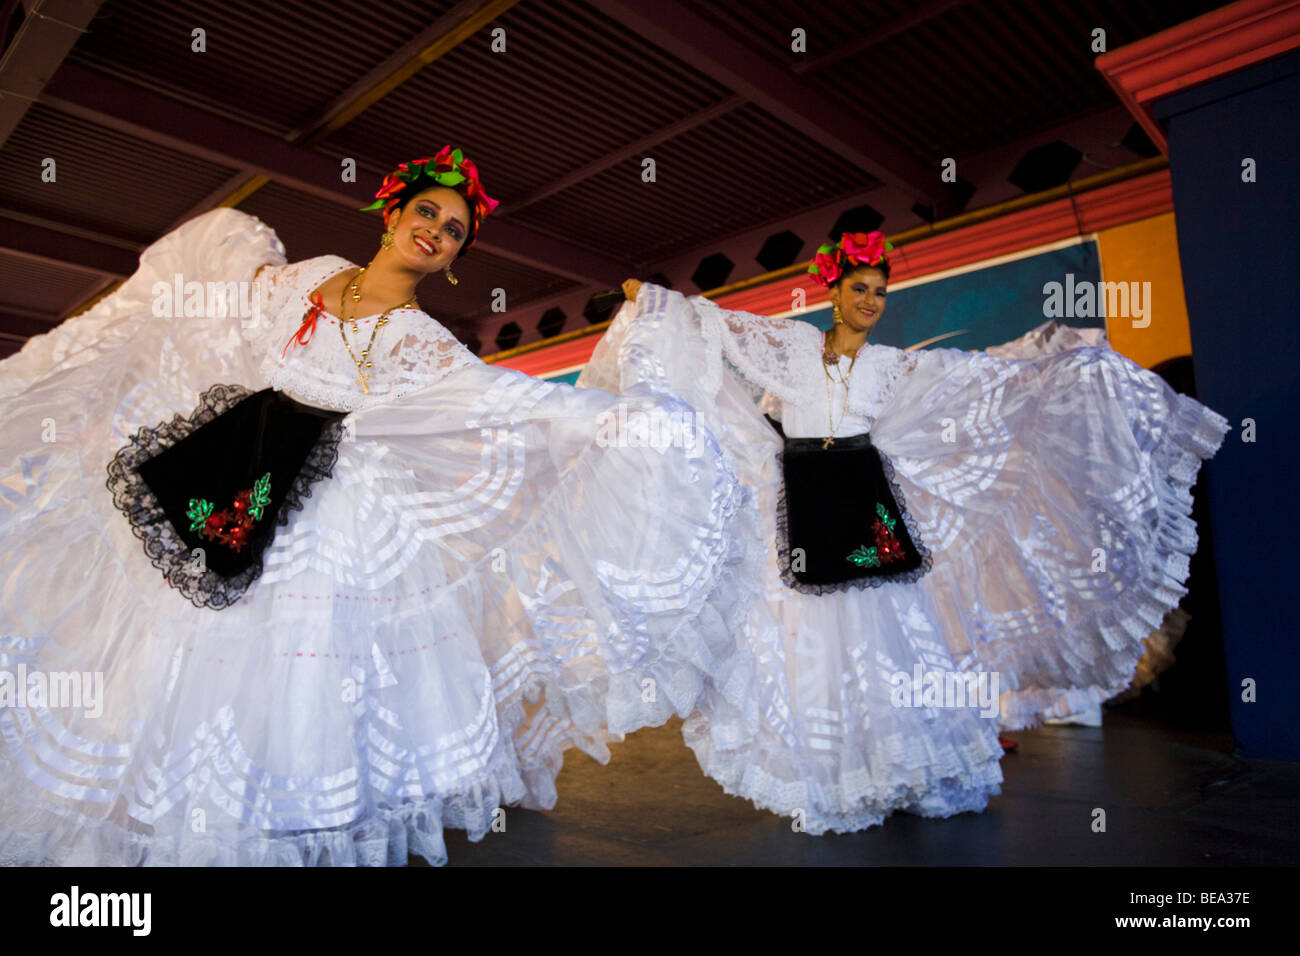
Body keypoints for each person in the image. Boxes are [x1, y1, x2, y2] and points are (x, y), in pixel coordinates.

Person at [0, 147, 763, 865]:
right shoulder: (314, 273)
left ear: (460, 262)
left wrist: (631, 404)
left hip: (321, 524)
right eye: (428, 214)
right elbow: (234, 289)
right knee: (174, 644)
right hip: (229, 468)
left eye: (455, 232)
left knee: (283, 670)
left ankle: (262, 827)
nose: (436, 232)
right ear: (393, 213)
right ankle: (162, 812)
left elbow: (518, 406)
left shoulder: (428, 345)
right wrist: (227, 243)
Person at [584, 231, 1230, 834]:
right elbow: (714, 325)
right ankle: (838, 775)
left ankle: (913, 770)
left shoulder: (892, 366)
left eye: (880, 292)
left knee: (898, 641)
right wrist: (652, 298)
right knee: (819, 645)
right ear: (833, 292)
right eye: (859, 288)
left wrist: (1060, 361)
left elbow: (979, 377)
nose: (870, 302)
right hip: (807, 508)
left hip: (868, 508)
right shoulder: (791, 348)